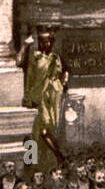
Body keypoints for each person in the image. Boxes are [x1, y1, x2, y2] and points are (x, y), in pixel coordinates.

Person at [16, 27, 68, 177]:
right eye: (44, 41)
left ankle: (53, 162)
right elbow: (18, 62)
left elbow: (62, 75)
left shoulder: (55, 58)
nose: (47, 44)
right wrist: (26, 45)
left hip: (51, 101)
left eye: (49, 41)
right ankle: (58, 158)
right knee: (36, 134)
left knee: (45, 132)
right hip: (36, 101)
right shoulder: (34, 56)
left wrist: (63, 80)